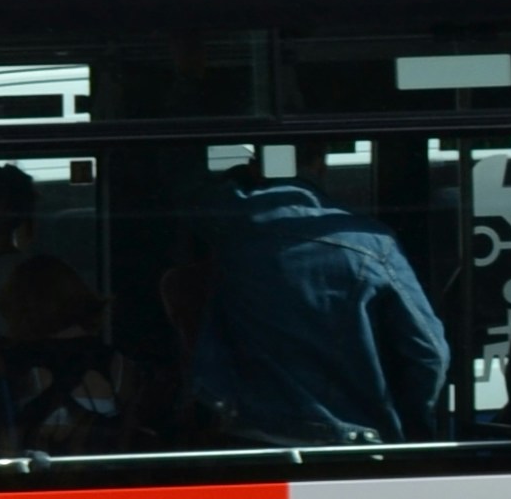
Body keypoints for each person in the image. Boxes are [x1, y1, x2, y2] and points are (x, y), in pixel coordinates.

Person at [179, 174, 453, 447]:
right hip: (351, 441)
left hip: (249, 433)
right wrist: (412, 429)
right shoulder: (370, 243)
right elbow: (429, 353)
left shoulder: (227, 241)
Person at [0, 253, 132, 456]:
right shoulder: (118, 364)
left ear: (19, 307)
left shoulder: (11, 363)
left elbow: (3, 447)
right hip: (106, 480)